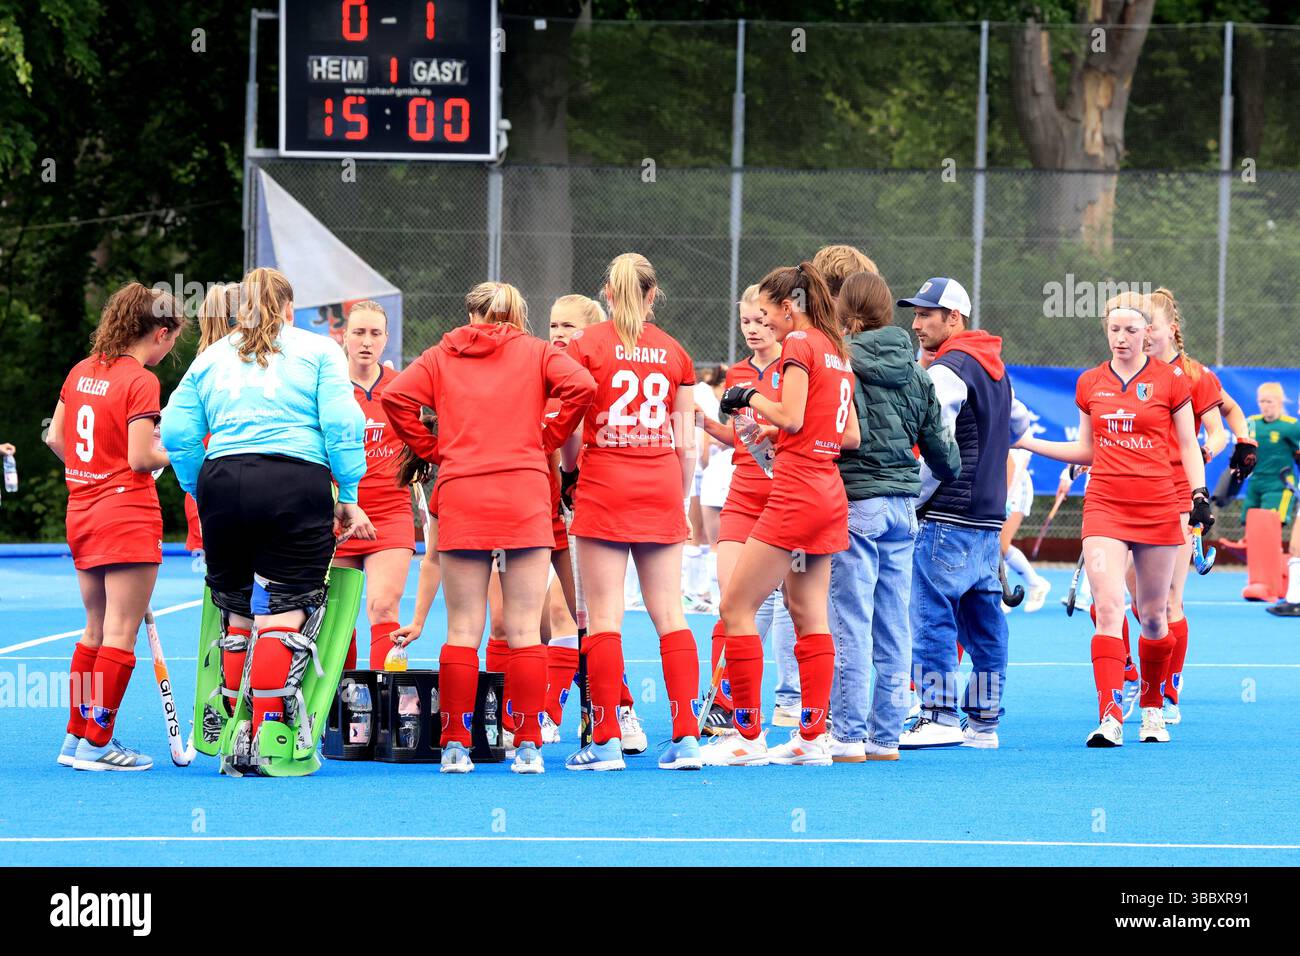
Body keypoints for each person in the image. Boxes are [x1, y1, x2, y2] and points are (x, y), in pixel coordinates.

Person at [162, 267, 375, 771]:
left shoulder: (211, 357)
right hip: (294, 483)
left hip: (224, 482)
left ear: (241, 310)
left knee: (236, 610)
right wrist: (347, 492)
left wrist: (198, 485)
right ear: (289, 308)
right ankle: (264, 734)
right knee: (283, 609)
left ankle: (232, 721)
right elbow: (344, 425)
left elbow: (175, 430)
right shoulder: (320, 349)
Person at [382, 282, 595, 775]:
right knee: (524, 629)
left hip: (463, 493)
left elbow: (395, 398)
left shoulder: (441, 356)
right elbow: (582, 386)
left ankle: (455, 744)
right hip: (522, 493)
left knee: (462, 628)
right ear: (518, 316)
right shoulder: (537, 352)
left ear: (472, 312)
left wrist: (435, 448)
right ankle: (527, 743)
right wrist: (547, 435)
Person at [1017, 302, 1214, 747]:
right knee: (1107, 608)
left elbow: (1188, 443)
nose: (1121, 337)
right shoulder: (1090, 383)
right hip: (1105, 506)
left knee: (1154, 617)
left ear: (1147, 334)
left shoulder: (1171, 379)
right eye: (1114, 329)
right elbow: (1086, 451)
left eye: (1130, 330)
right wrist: (1026, 440)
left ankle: (1151, 707)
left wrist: (1199, 498)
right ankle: (1109, 716)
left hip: (1161, 506)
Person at [703, 261, 861, 767]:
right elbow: (848, 436)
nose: (766, 326)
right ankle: (812, 739)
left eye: (769, 316)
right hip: (828, 490)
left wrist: (749, 397)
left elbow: (790, 413)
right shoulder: (837, 351)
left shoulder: (799, 345)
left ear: (788, 308)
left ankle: (748, 737)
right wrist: (782, 433)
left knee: (735, 608)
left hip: (795, 493)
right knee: (809, 614)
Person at [560, 252, 703, 772]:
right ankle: (686, 737)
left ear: (606, 293)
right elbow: (687, 443)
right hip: (659, 480)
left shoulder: (586, 347)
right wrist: (679, 496)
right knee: (671, 613)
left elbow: (572, 430)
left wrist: (574, 472)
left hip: (605, 481)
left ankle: (605, 741)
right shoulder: (675, 353)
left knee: (603, 617)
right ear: (651, 294)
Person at [46, 282, 185, 771]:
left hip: (82, 510)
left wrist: (92, 474)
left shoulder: (82, 370)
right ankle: (98, 743)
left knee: (95, 628)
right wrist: (188, 455)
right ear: (161, 333)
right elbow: (141, 456)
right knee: (120, 630)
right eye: (172, 340)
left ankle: (77, 735)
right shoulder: (140, 380)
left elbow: (57, 437)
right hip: (125, 513)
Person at [828, 270, 959, 762]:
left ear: (844, 313)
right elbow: (946, 459)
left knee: (851, 620)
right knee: (893, 622)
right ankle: (885, 737)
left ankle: (847, 734)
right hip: (904, 507)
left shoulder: (841, 365)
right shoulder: (918, 372)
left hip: (857, 501)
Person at [896, 276, 1032, 751]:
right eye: (914, 314)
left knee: (932, 617)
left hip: (946, 517)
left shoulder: (948, 369)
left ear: (954, 317)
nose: (915, 324)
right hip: (987, 518)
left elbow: (939, 446)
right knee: (985, 623)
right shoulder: (994, 365)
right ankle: (984, 721)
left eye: (925, 314)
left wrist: (909, 500)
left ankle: (936, 715)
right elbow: (1018, 423)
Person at [696, 284, 798, 735]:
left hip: (785, 498)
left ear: (780, 317)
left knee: (794, 605)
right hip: (742, 496)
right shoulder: (737, 371)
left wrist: (769, 438)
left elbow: (794, 426)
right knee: (730, 601)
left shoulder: (795, 366)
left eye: (761, 320)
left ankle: (796, 701)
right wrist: (704, 424)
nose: (754, 329)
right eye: (746, 322)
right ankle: (725, 703)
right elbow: (744, 440)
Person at [1125, 288, 1229, 725]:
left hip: (1176, 496)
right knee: (1124, 598)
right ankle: (1134, 672)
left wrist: (1207, 456)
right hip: (1128, 493)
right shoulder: (1125, 370)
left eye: (1151, 324)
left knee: (1168, 600)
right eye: (1137, 324)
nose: (1144, 333)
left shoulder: (1193, 374)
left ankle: (1166, 690)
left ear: (1172, 328)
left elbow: (1218, 429)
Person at [333, 300, 417, 670]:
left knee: (383, 605)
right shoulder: (329, 388)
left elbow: (426, 435)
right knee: (338, 617)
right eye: (359, 332)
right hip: (338, 515)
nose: (366, 341)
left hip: (390, 513)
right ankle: (344, 704)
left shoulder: (403, 388)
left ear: (386, 339)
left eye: (375, 333)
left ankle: (385, 703)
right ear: (344, 337)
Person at [182, 282, 240, 554]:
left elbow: (176, 435)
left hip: (208, 491)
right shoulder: (254, 373)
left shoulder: (200, 369)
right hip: (233, 489)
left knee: (223, 587)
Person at [1001, 448, 1052, 612]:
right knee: (994, 543)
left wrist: (1005, 496)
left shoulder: (1016, 425)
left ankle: (1035, 584)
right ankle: (1001, 593)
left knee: (1001, 544)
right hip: (999, 482)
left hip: (1015, 486)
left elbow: (1015, 462)